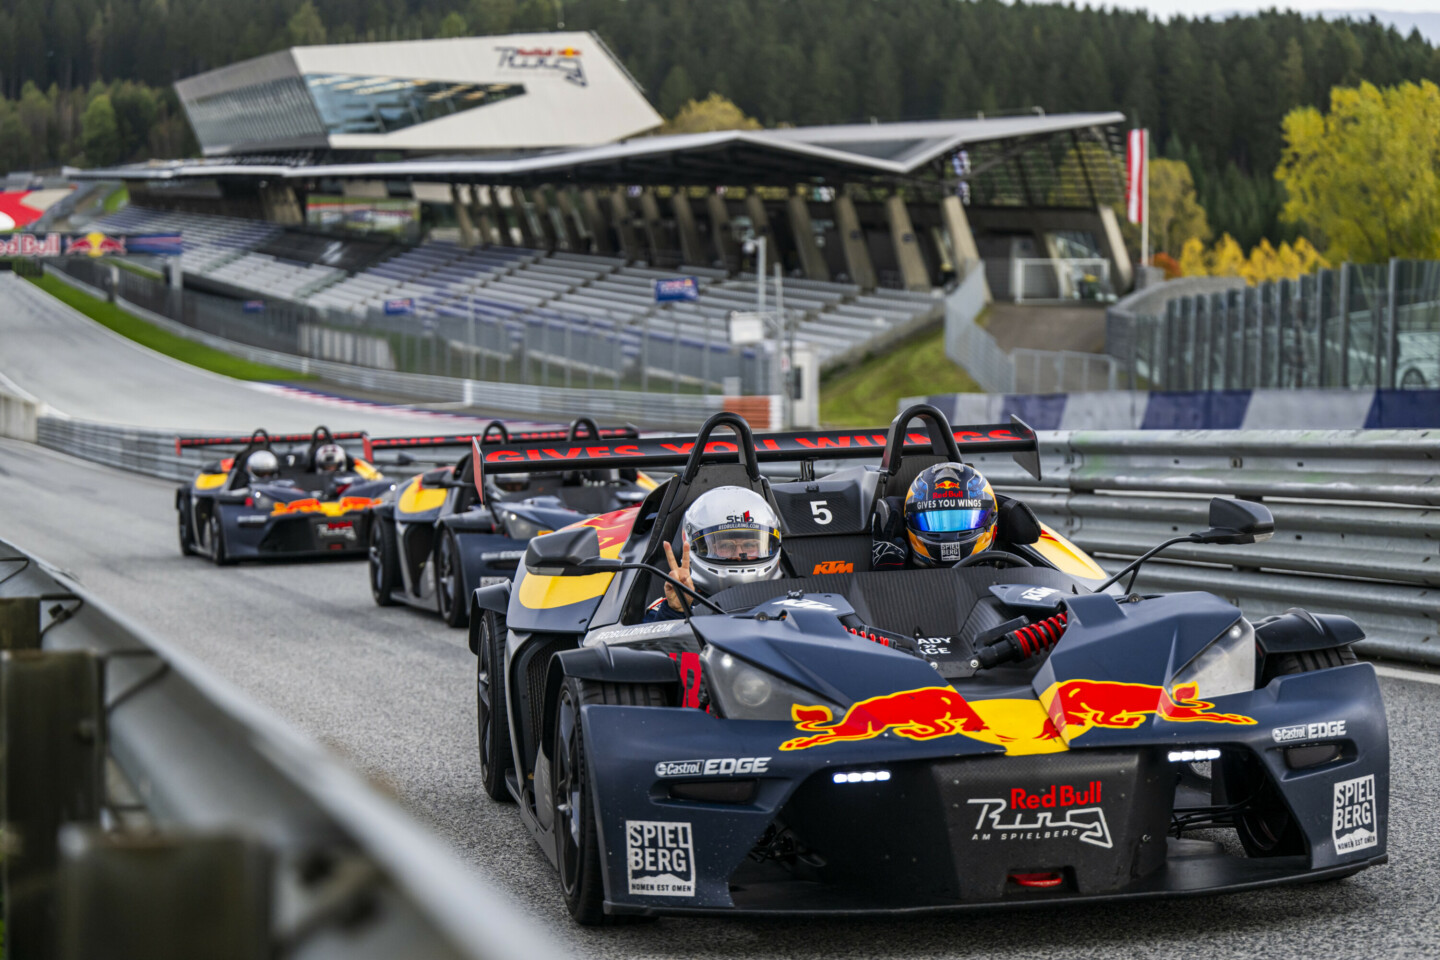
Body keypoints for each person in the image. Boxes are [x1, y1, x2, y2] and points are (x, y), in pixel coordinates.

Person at [644, 486, 783, 621]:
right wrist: (676, 611)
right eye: (725, 545)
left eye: (750, 545)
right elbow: (653, 636)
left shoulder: (788, 600)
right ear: (696, 547)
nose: (738, 555)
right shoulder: (671, 606)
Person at [872, 462, 998, 569]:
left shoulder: (1005, 565)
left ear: (992, 517)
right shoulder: (903, 577)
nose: (949, 537)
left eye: (958, 521)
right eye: (937, 523)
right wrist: (887, 574)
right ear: (908, 521)